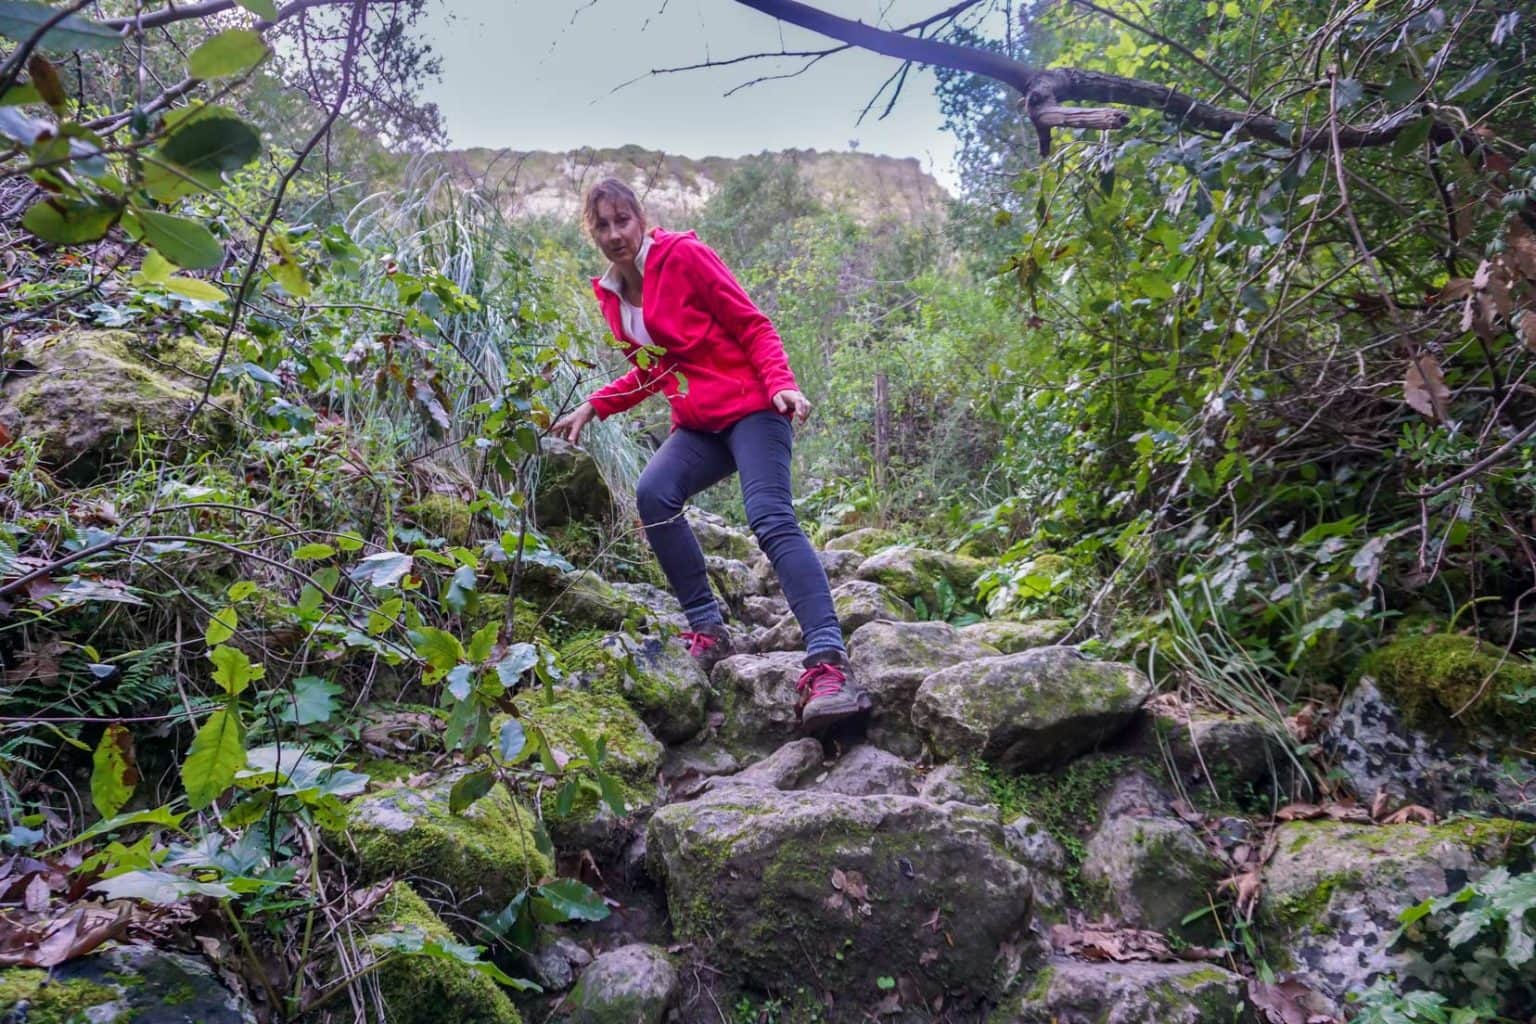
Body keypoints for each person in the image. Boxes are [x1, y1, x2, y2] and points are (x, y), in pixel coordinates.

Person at [551, 178, 870, 734]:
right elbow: (656, 368)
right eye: (601, 225)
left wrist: (783, 384)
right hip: (699, 424)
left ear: (640, 218)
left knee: (769, 517)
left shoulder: (685, 256)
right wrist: (593, 407)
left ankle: (828, 663)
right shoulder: (610, 296)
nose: (614, 234)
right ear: (591, 231)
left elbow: (753, 324)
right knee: (654, 495)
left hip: (754, 407)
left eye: (622, 219)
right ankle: (708, 628)